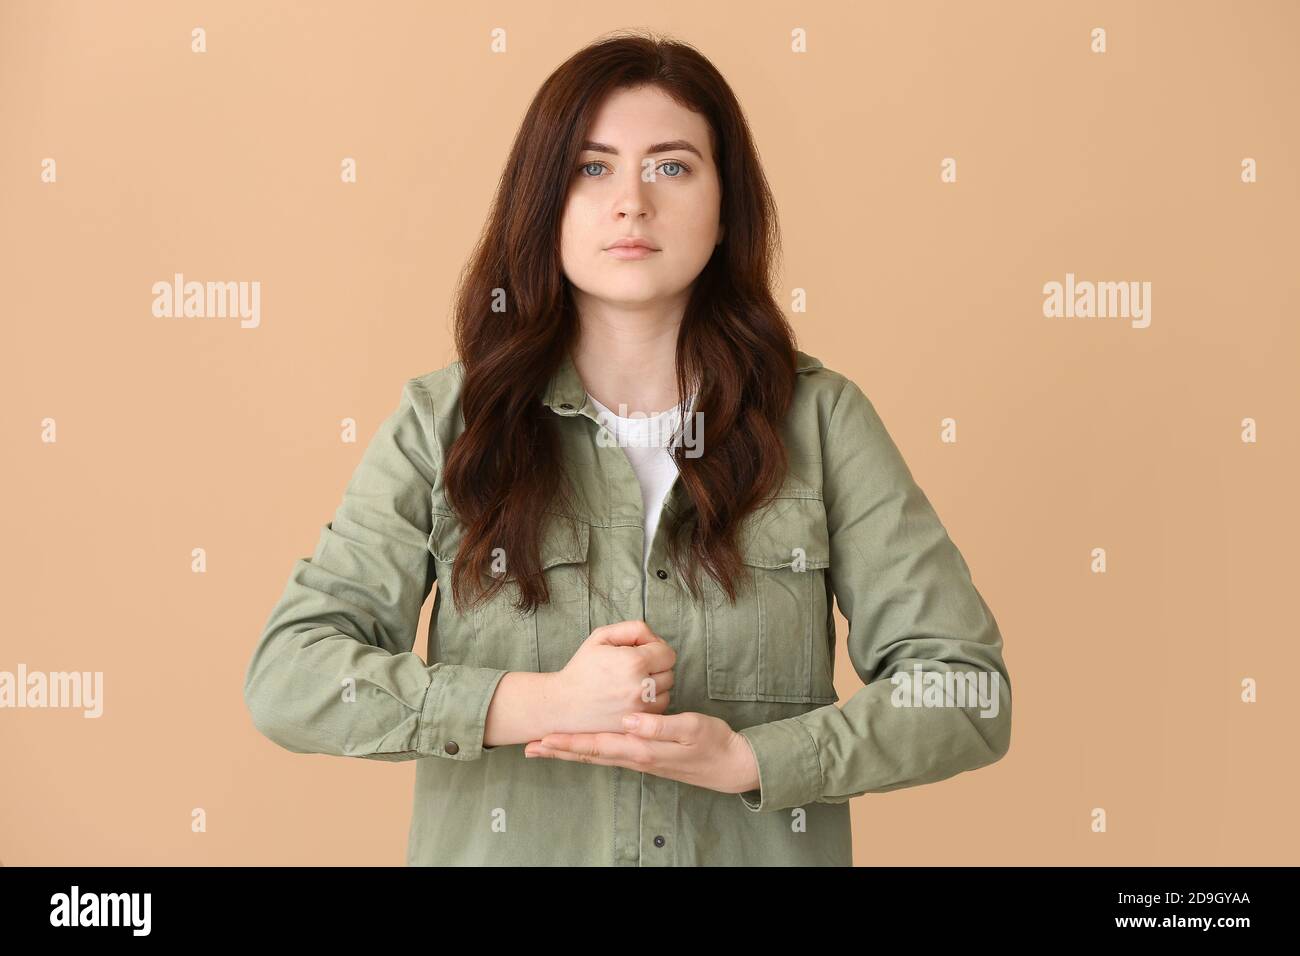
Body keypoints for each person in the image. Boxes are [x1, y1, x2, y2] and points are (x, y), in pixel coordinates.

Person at [242, 30, 1012, 866]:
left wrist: (756, 761)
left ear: (726, 211)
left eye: (673, 166)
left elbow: (967, 691)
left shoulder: (822, 422)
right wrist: (541, 703)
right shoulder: (444, 422)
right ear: (544, 204)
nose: (632, 202)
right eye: (592, 167)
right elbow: (291, 676)